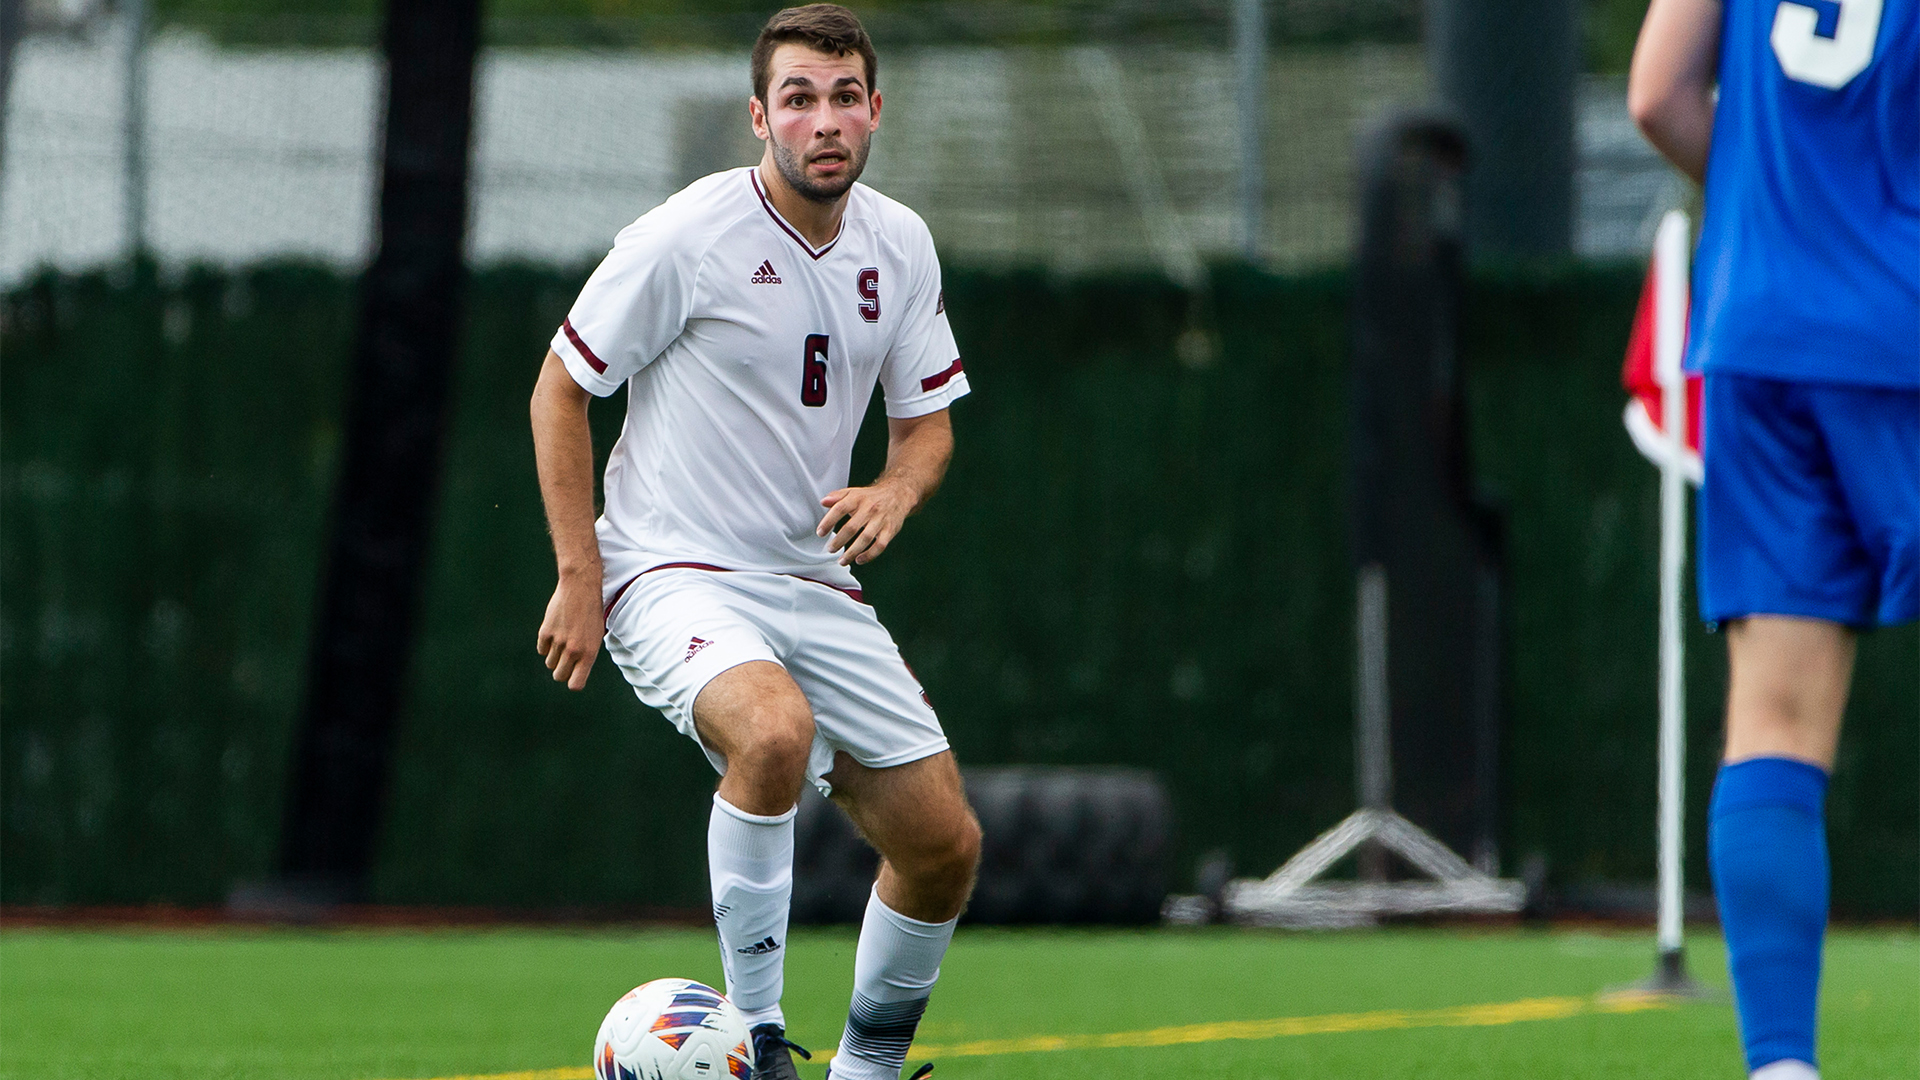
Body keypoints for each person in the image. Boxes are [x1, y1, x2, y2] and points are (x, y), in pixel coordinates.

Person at [528, 7, 980, 1078]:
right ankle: (760, 1038)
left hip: (810, 578)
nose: (822, 120)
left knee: (941, 848)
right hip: (669, 568)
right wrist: (580, 575)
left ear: (874, 110)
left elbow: (927, 428)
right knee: (771, 732)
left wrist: (895, 491)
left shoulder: (899, 242)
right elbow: (560, 389)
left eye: (841, 98)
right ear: (759, 118)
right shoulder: (687, 236)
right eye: (797, 98)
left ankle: (864, 1073)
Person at [1628, 2, 1917, 1078]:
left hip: (1760, 326)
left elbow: (1657, 94)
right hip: (1905, 327)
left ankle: (1783, 1067)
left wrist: (1771, 202)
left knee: (1776, 719)